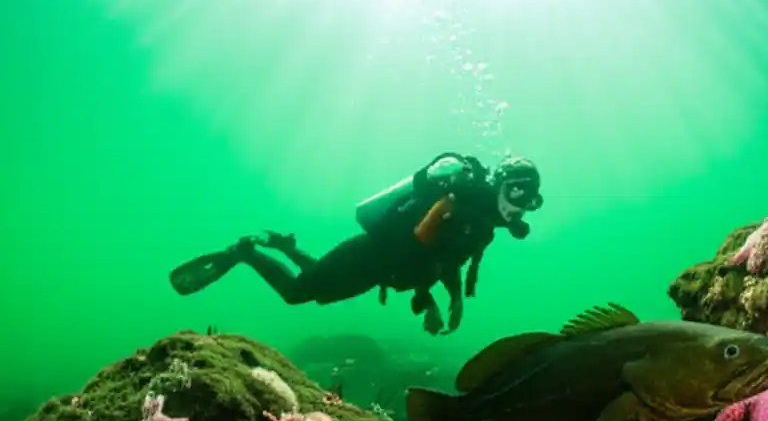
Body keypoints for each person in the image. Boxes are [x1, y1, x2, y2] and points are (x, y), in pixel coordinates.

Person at [169, 153, 543, 334]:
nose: (521, 206)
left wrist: (452, 297)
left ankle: (284, 245)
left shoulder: (480, 224)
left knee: (317, 285)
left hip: (376, 268)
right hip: (369, 256)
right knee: (298, 293)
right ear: (503, 184)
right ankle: (246, 254)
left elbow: (446, 260)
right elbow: (423, 247)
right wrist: (432, 299)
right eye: (518, 193)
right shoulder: (458, 205)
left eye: (529, 200)